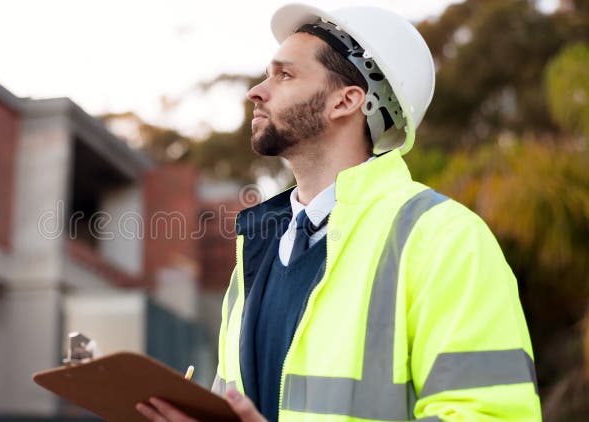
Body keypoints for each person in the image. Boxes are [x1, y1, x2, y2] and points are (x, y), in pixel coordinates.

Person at [137, 2, 540, 421]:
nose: (256, 91)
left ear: (345, 101)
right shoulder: (255, 254)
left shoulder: (444, 238)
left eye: (285, 75)